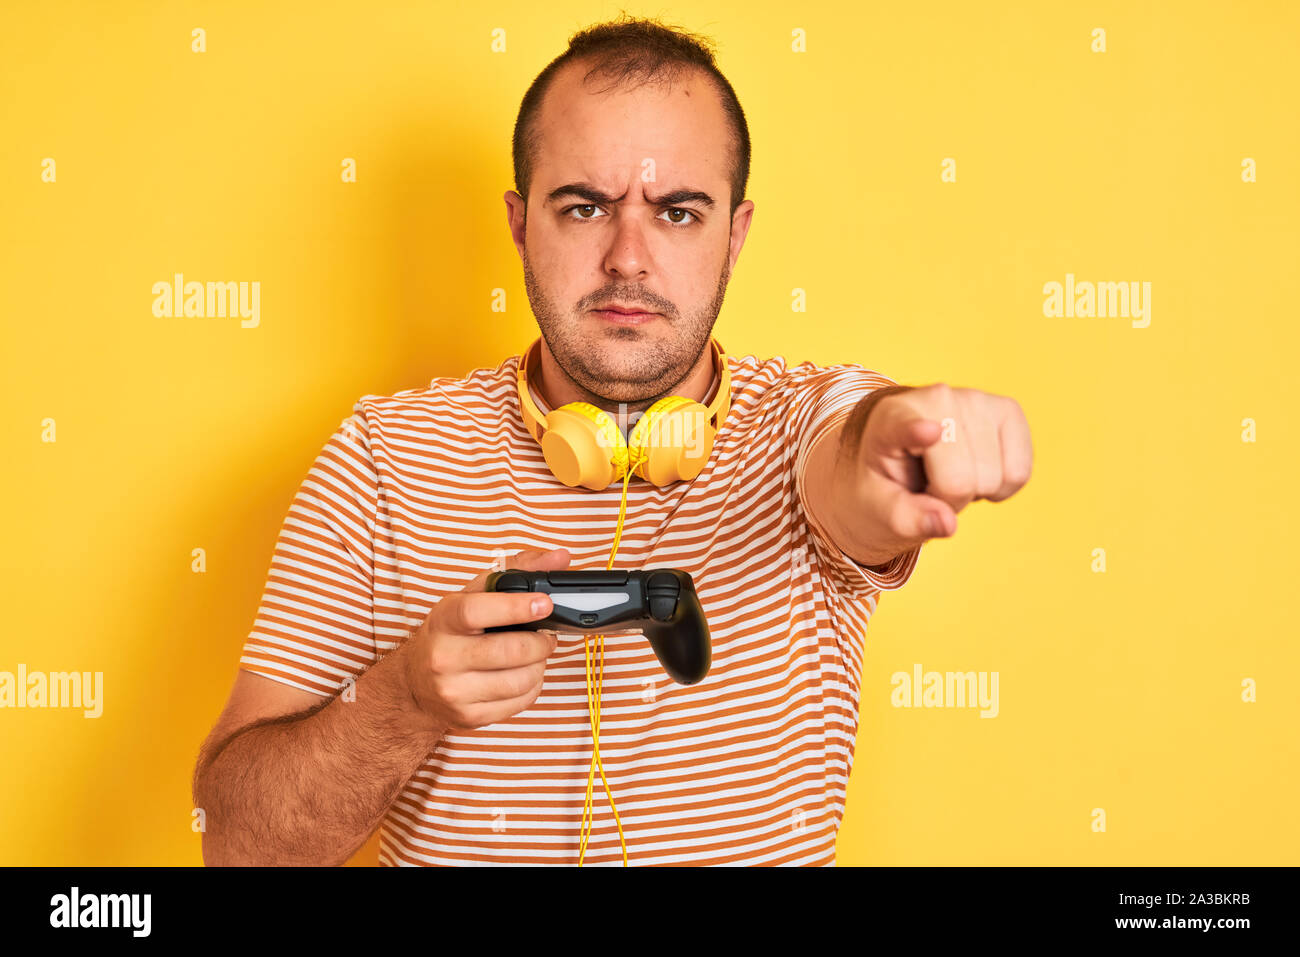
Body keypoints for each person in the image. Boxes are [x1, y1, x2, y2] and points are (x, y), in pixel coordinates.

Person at [192, 14, 1031, 866]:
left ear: (734, 236)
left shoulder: (795, 426)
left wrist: (901, 435)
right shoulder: (383, 455)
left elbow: (856, 451)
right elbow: (241, 852)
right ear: (520, 224)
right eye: (585, 206)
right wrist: (402, 700)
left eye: (677, 213)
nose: (627, 258)